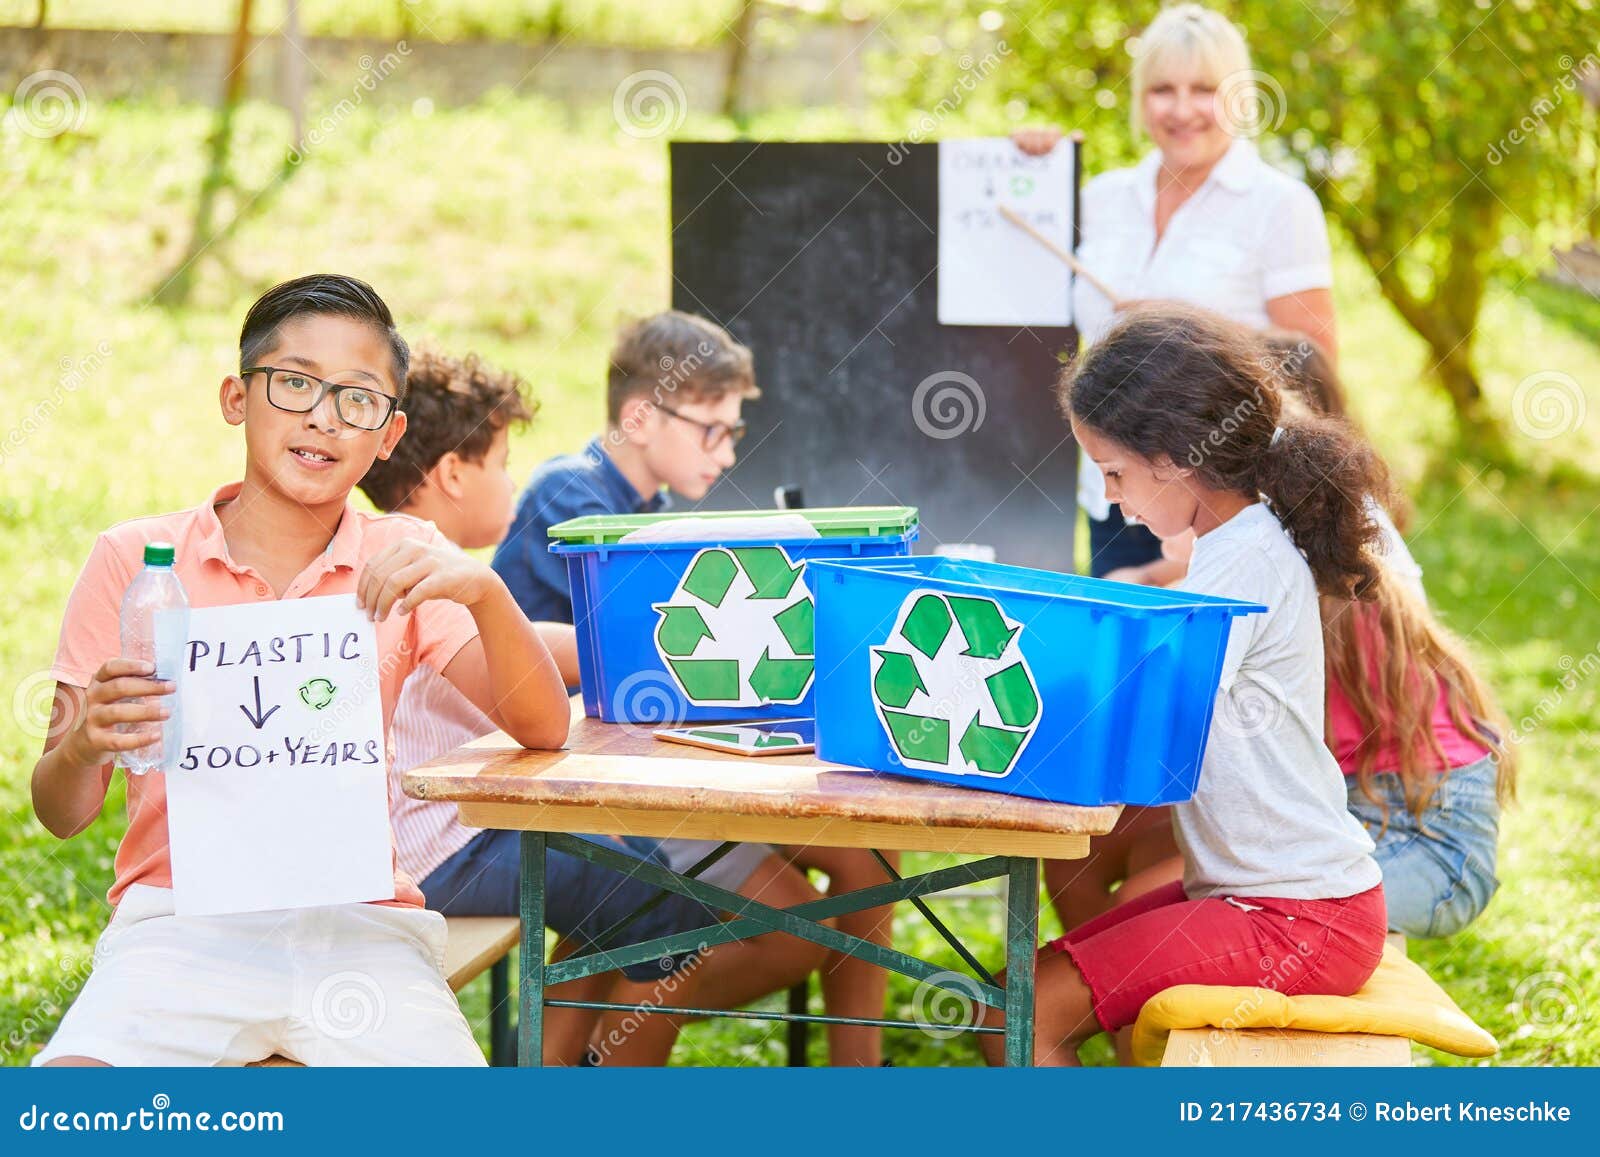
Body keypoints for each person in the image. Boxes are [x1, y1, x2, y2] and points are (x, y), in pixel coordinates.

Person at [31, 274, 570, 1066]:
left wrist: (486, 594)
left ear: (389, 434)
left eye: (358, 398)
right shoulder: (133, 562)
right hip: (179, 929)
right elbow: (60, 811)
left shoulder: (404, 558)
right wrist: (84, 744)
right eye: (294, 383)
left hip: (363, 932)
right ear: (236, 398)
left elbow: (543, 727)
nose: (323, 416)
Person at [983, 304, 1387, 1066]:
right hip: (1268, 895)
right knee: (1009, 997)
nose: (1110, 497)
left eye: (1113, 471)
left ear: (1172, 455)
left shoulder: (1244, 561)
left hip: (1299, 915)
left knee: (1019, 1017)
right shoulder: (1233, 543)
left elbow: (1138, 712)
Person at [492, 310, 898, 1066]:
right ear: (642, 416)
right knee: (791, 926)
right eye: (712, 429)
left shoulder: (644, 509)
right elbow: (622, 658)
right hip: (588, 784)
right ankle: (600, 1055)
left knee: (866, 858)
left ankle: (857, 1071)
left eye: (733, 431)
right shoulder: (571, 497)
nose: (728, 450)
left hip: (646, 766)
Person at [359, 346, 726, 1065]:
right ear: (453, 473)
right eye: (501, 462)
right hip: (436, 852)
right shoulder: (424, 568)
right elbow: (543, 659)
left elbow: (539, 644)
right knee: (673, 913)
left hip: (453, 831)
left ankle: (543, 1068)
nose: (511, 482)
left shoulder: (400, 558)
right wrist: (661, 647)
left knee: (629, 868)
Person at [1013, 3, 1338, 582]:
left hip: (1220, 503)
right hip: (1114, 495)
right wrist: (1028, 167)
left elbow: (1313, 360)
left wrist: (1188, 328)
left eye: (1204, 89)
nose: (1182, 109)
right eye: (1163, 89)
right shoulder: (1103, 197)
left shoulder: (1280, 205)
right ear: (1141, 100)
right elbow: (1009, 246)